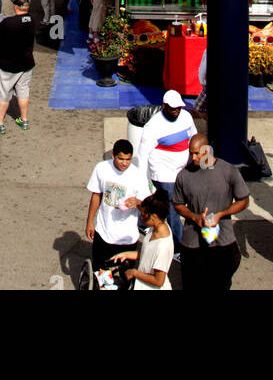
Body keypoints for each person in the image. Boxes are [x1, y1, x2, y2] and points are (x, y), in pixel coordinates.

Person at [172, 133, 249, 291]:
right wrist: (195, 217)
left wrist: (221, 214)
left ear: (207, 151)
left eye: (196, 153)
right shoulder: (183, 176)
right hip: (193, 243)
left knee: (220, 282)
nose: (193, 157)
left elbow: (244, 200)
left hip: (222, 241)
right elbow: (178, 204)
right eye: (190, 153)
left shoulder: (228, 171)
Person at [136, 90, 198, 247]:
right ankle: (178, 246)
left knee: (164, 204)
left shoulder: (186, 117)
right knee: (173, 208)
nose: (176, 111)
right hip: (163, 175)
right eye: (173, 108)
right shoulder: (153, 126)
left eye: (179, 107)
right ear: (164, 106)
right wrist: (143, 184)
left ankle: (142, 222)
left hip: (183, 171)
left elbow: (195, 139)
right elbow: (142, 157)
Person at [85, 139, 153, 267]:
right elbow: (96, 196)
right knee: (99, 273)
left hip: (127, 238)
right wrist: (89, 222)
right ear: (113, 156)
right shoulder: (101, 168)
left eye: (128, 160)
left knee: (124, 278)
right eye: (121, 159)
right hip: (104, 233)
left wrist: (138, 202)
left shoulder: (138, 175)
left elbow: (148, 206)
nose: (124, 163)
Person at [0, 0, 35, 133]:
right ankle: (24, 120)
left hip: (9, 64)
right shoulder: (32, 19)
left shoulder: (9, 23)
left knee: (4, 94)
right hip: (27, 62)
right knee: (23, 91)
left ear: (15, 7)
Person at [109, 192, 175, 290]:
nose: (141, 217)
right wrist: (125, 254)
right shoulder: (157, 227)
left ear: (154, 216)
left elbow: (158, 281)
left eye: (143, 214)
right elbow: (146, 254)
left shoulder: (163, 247)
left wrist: (134, 273)